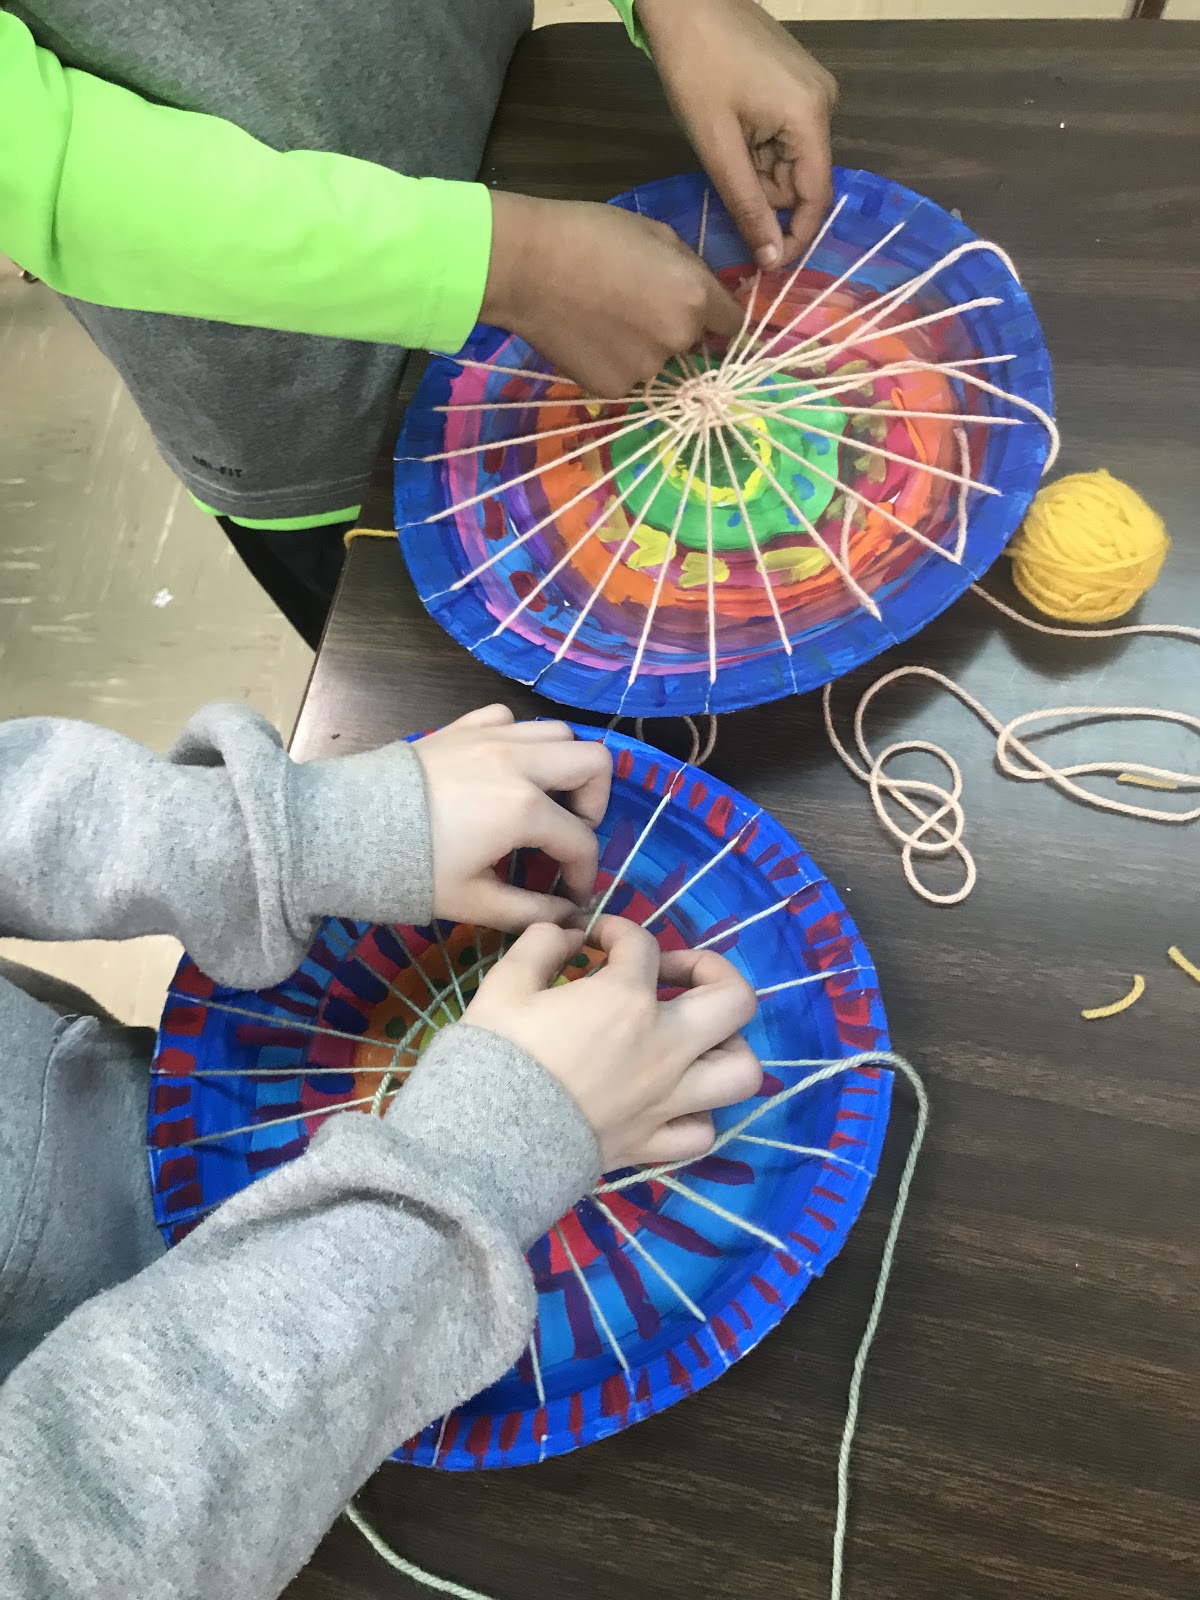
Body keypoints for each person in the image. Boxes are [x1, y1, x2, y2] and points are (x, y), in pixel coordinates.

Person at [0, 701, 761, 1598]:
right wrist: (500, 1145)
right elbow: (77, 1543)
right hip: (271, 1425)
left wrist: (300, 832)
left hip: (175, 1137)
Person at [1, 0, 837, 644]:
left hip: (522, 104)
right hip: (311, 380)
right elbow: (38, 153)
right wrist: (507, 264)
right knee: (542, 719)